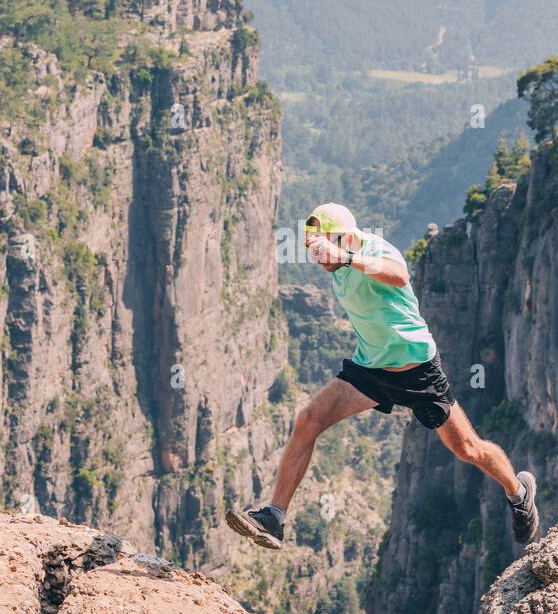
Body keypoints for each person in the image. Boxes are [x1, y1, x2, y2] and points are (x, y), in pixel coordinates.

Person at [225, 202, 538, 550]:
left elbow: (396, 275)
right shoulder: (336, 266)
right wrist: (335, 257)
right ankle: (274, 517)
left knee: (468, 448)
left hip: (417, 371)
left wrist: (344, 257)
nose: (316, 257)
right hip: (371, 370)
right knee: (308, 420)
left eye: (320, 247)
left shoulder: (374, 250)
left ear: (343, 238)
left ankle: (517, 491)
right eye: (309, 248)